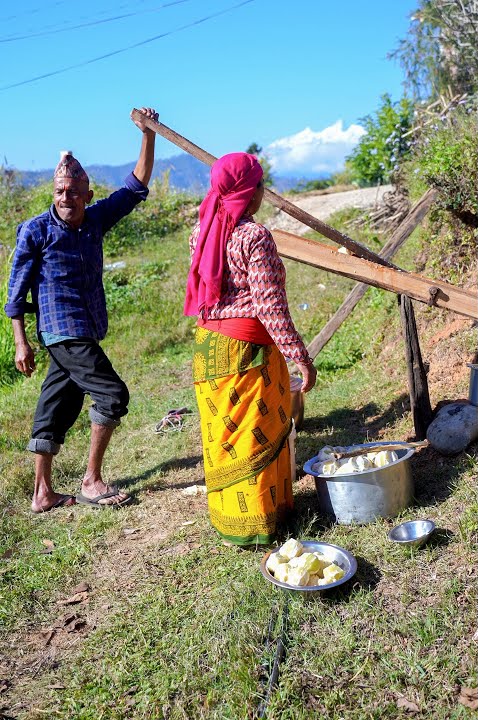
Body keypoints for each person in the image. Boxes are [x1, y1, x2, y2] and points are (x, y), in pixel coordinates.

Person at [6, 107, 159, 513]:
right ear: (52, 194)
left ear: (86, 196)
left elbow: (136, 187)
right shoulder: (36, 230)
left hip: (85, 328)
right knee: (113, 394)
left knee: (58, 404)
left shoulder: (95, 220)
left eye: (73, 192)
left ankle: (43, 494)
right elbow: (16, 292)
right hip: (61, 330)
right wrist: (21, 343)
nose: (66, 199)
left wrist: (148, 134)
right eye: (59, 192)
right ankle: (91, 481)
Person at [184, 152, 315, 545]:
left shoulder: (202, 231)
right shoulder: (253, 237)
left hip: (208, 347)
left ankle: (229, 523)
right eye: (260, 184)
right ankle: (260, 525)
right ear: (251, 191)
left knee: (223, 438)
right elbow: (269, 305)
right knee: (255, 432)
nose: (262, 191)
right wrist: (300, 358)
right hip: (247, 351)